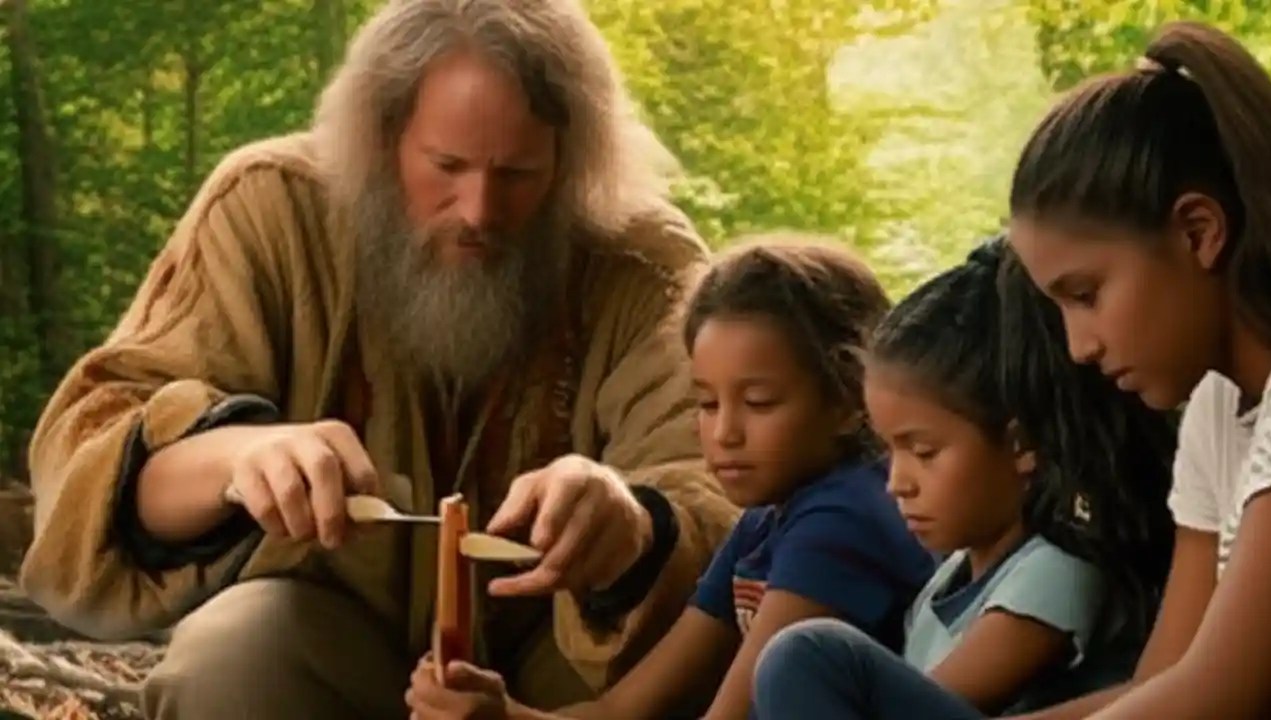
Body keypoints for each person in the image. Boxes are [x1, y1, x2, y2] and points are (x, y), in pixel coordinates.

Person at [16, 1, 741, 718]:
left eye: (518, 174)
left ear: (570, 158)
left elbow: (726, 499)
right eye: (446, 166)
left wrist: (632, 528)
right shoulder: (270, 211)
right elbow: (93, 448)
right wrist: (239, 456)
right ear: (384, 136)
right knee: (230, 657)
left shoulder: (644, 263)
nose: (479, 211)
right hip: (325, 639)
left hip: (556, 674)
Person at [403, 238, 938, 719]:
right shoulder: (764, 522)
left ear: (850, 401)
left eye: (759, 402)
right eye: (705, 403)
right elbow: (622, 709)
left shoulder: (842, 522)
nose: (723, 432)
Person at [750, 239, 1177, 719]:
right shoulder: (948, 577)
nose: (897, 483)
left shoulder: (1055, 569)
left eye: (923, 451)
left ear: (1020, 445)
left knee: (808, 657)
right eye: (890, 451)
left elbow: (937, 703)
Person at [1006, 20, 1271, 720]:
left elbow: (1216, 694)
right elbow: (1165, 679)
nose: (1078, 348)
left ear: (1198, 232)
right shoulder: (1218, 413)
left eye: (1086, 295)